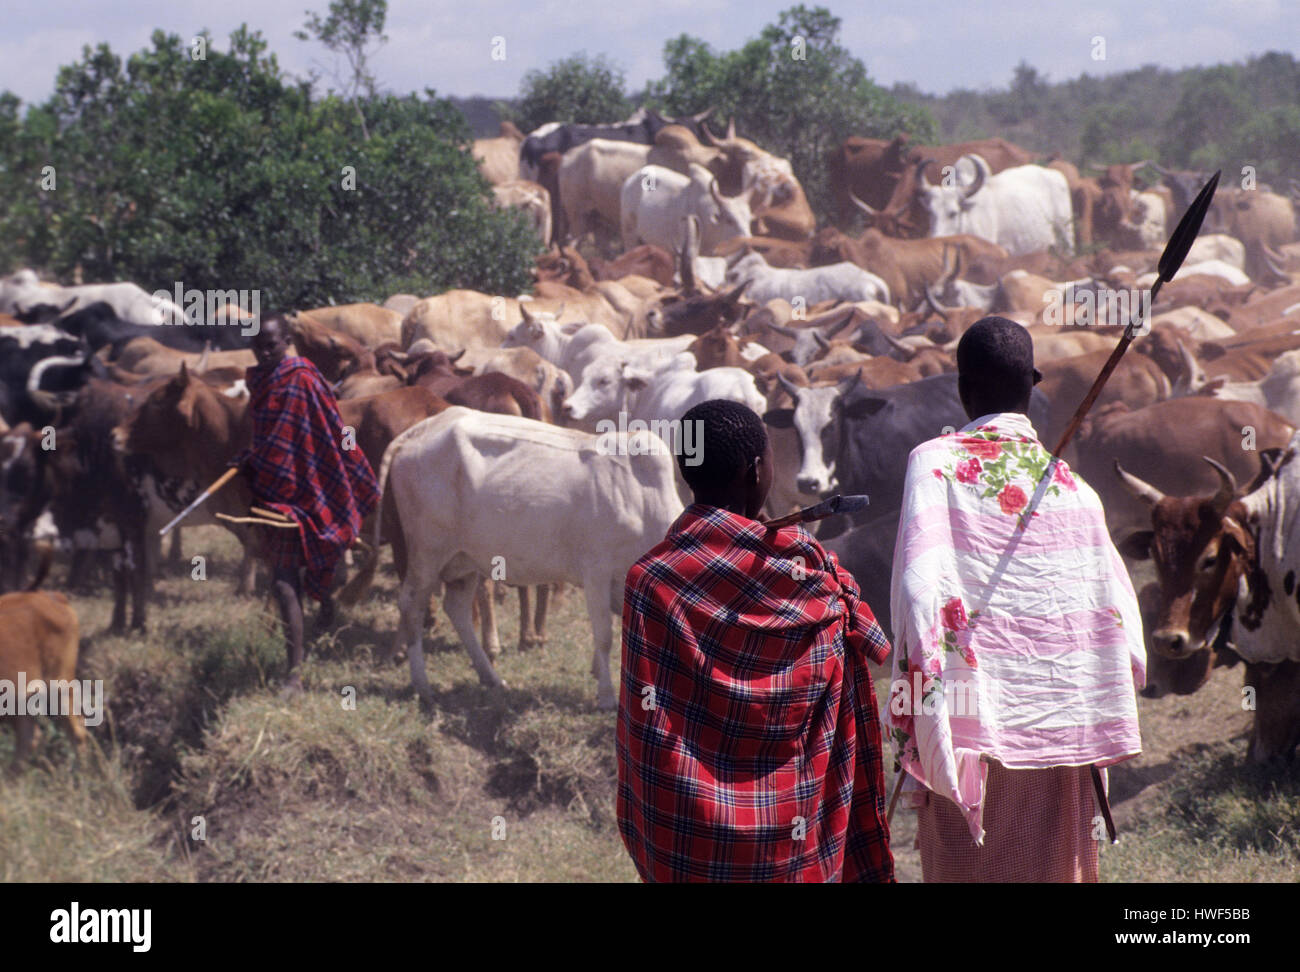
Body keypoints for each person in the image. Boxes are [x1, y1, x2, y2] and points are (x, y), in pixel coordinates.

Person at [885, 316, 1145, 882]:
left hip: (966, 726)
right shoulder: (1077, 491)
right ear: (1032, 386)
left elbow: (916, 592)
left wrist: (915, 699)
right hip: (1061, 729)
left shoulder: (933, 464)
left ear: (962, 386)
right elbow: (1122, 629)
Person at [616, 399, 894, 882]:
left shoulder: (649, 582)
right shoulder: (811, 575)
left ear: (685, 474)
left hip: (689, 849)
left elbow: (644, 734)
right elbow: (848, 695)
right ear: (757, 471)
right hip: (794, 846)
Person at [230, 315, 380, 693]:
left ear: (287, 341)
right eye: (257, 346)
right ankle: (294, 672)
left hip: (312, 487)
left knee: (318, 559)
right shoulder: (261, 383)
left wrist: (346, 466)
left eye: (271, 345)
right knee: (282, 584)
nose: (264, 352)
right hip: (275, 495)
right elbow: (271, 439)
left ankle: (325, 609)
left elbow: (330, 429)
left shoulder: (303, 378)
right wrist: (251, 460)